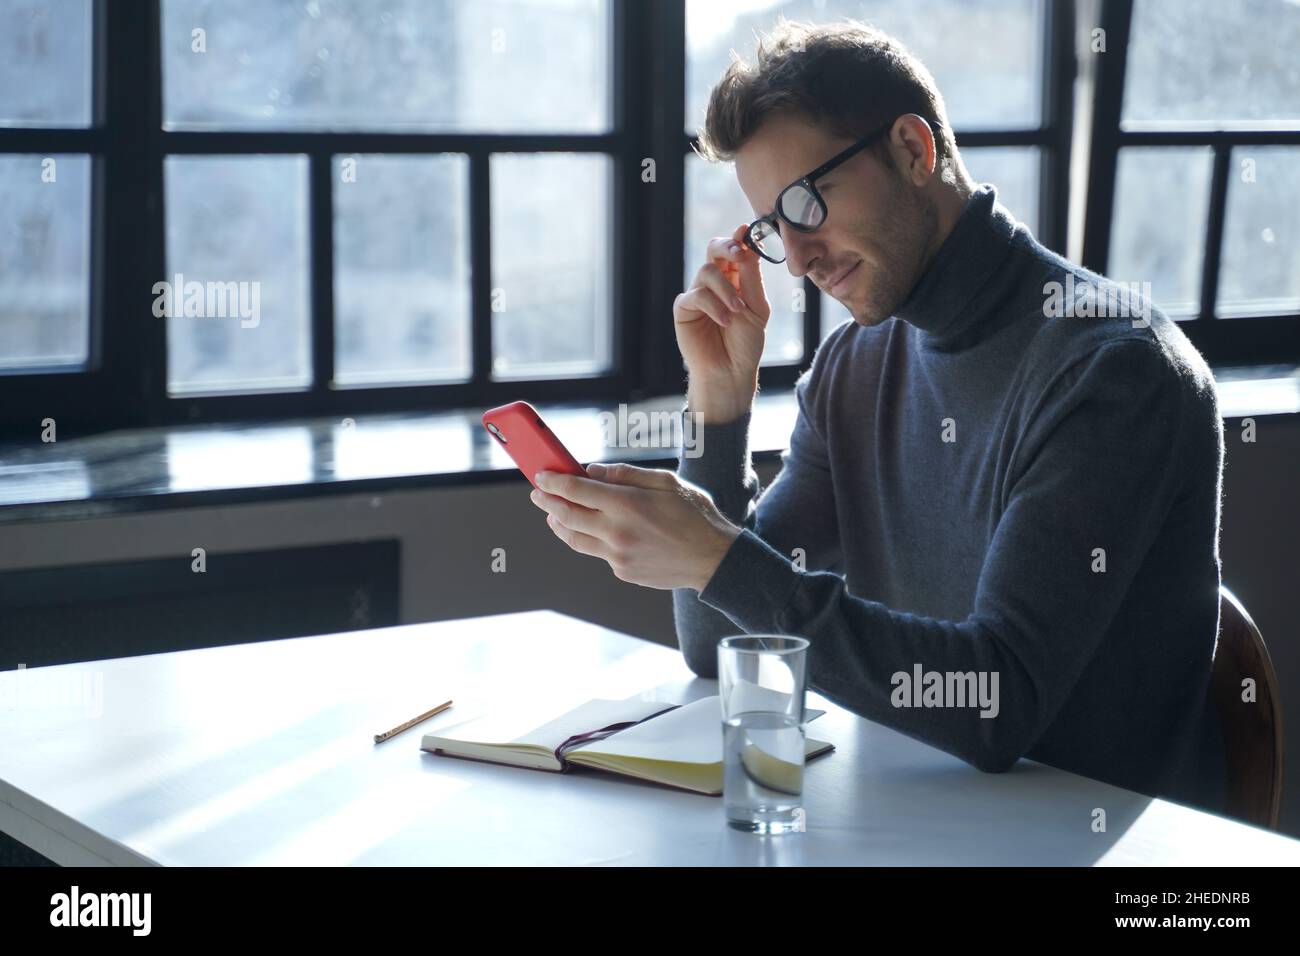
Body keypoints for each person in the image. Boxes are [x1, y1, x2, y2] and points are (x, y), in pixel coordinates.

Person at [528, 19, 1225, 812]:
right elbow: (719, 640)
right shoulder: (856, 365)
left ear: (913, 150)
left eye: (807, 202)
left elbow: (996, 701)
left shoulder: (1115, 374)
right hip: (918, 827)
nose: (795, 258)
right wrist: (719, 412)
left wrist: (721, 557)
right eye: (770, 228)